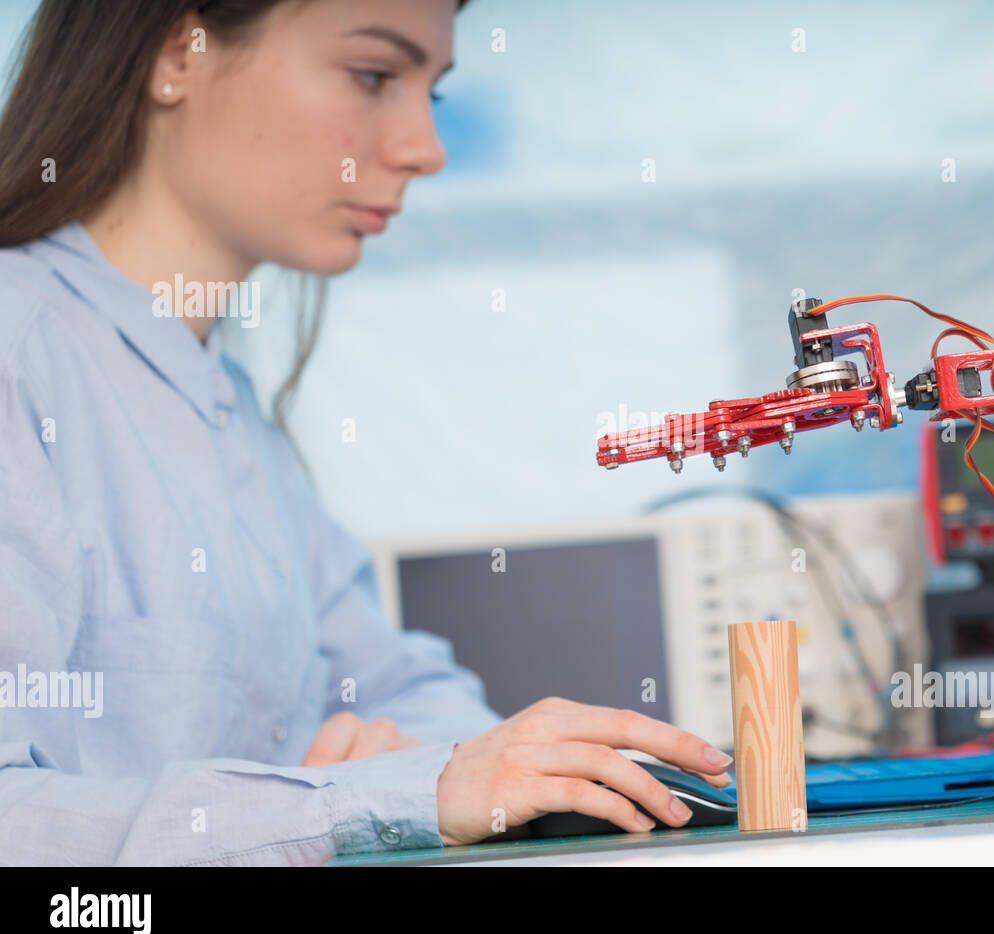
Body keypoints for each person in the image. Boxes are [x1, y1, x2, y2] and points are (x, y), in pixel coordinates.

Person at [0, 0, 732, 865]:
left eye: (433, 92)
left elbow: (399, 685)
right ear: (177, 53)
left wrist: (428, 772)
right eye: (375, 75)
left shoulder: (234, 419)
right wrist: (368, 797)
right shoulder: (20, 356)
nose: (426, 149)